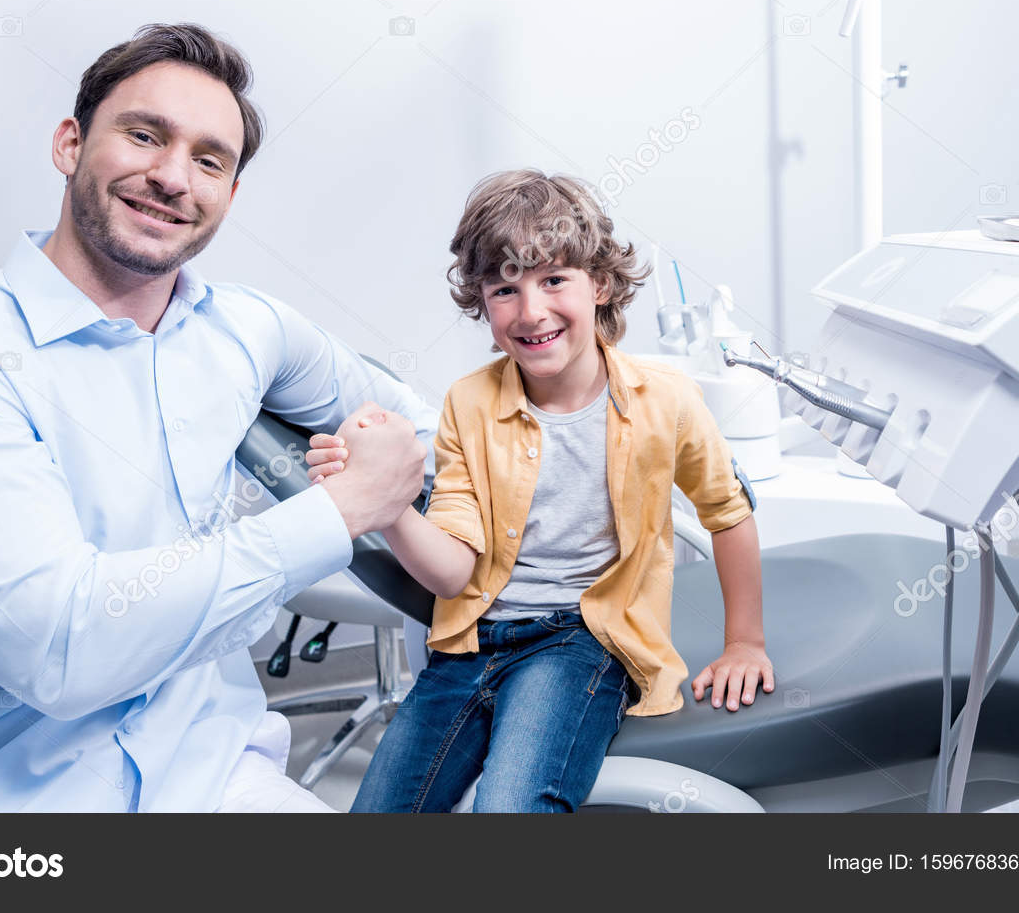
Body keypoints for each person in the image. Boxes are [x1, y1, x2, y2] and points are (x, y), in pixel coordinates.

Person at [0, 22, 432, 812]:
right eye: (145, 135)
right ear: (71, 144)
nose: (174, 177)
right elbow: (64, 651)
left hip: (210, 774)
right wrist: (343, 510)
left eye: (209, 160)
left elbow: (414, 430)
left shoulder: (249, 332)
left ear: (229, 194)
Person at [318, 169, 772, 813]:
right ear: (481, 302)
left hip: (581, 638)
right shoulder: (468, 404)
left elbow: (727, 512)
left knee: (508, 808)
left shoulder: (665, 400)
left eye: (554, 279)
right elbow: (452, 575)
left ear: (601, 285)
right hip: (471, 640)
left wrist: (744, 643)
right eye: (505, 289)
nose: (531, 311)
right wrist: (387, 504)